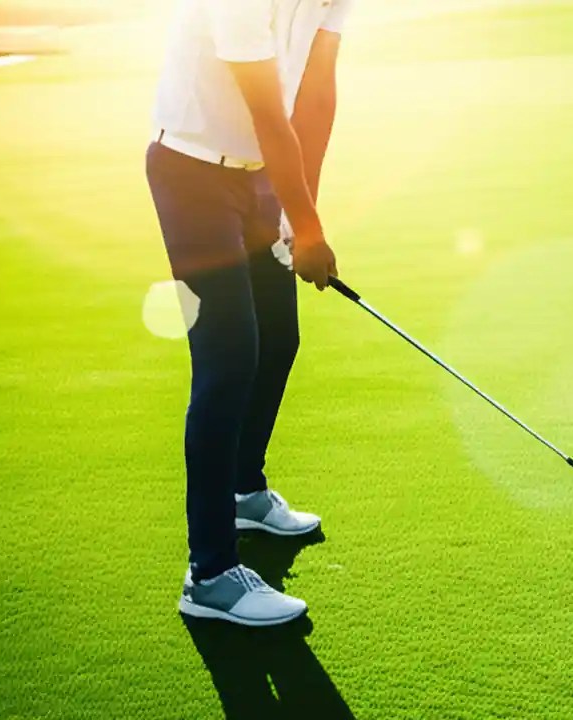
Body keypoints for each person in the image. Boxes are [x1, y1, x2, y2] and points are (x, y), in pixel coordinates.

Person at [145, 0, 353, 626]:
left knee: (278, 338)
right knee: (228, 355)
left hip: (260, 177)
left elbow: (315, 98)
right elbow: (266, 109)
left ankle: (244, 488)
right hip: (191, 176)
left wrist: (298, 210)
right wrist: (309, 231)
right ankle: (208, 573)